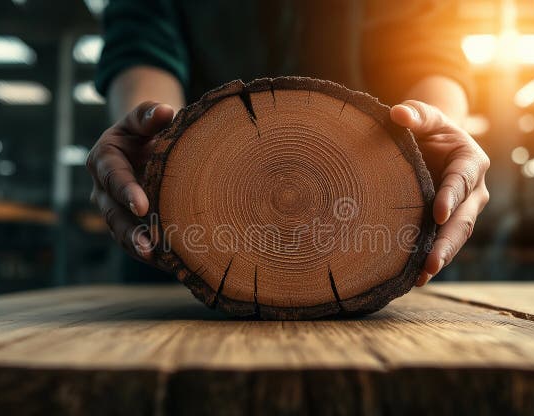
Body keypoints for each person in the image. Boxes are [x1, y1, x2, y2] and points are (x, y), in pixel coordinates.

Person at [87, 0, 490, 286]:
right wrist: (157, 145)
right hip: (183, 259)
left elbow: (427, 48)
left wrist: (440, 134)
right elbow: (141, 41)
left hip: (384, 255)